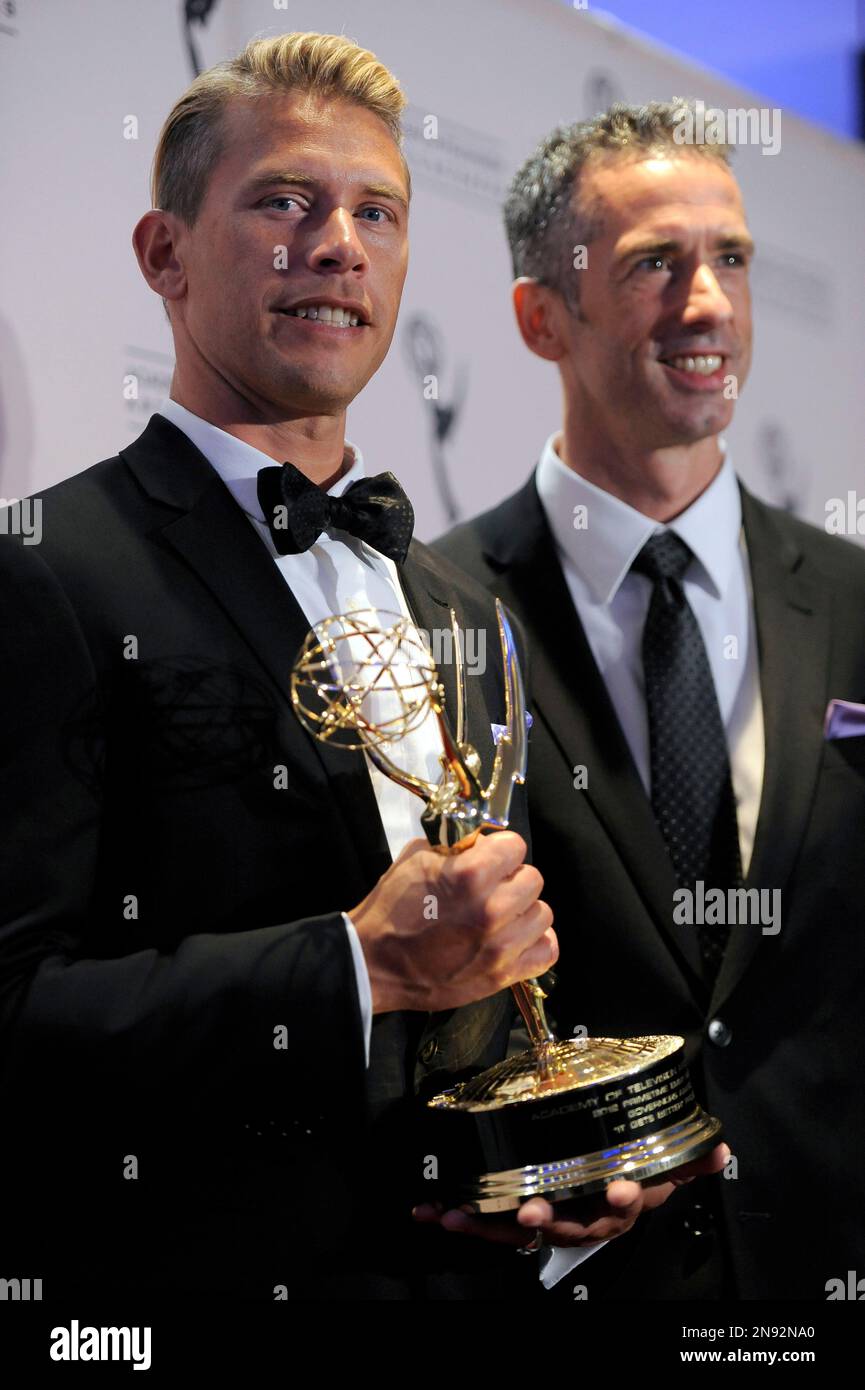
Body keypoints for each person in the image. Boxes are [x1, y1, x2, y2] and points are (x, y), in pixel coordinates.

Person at [0, 42, 722, 1305]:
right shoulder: (48, 573)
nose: (336, 244)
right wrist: (357, 964)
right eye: (283, 201)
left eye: (375, 212)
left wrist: (555, 1184)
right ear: (164, 256)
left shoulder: (457, 600)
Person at [436, 99, 865, 1301]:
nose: (709, 304)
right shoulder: (435, 610)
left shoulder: (852, 597)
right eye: (653, 266)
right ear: (541, 318)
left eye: (729, 256)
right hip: (577, 1294)